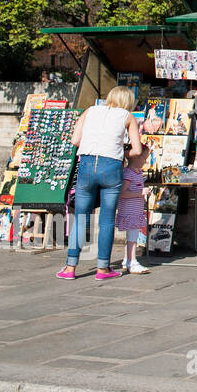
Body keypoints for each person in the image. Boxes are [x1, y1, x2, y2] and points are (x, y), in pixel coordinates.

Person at [58, 86, 143, 280]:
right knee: (106, 219)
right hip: (112, 167)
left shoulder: (90, 110)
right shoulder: (127, 116)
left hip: (87, 165)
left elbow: (75, 140)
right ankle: (103, 268)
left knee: (80, 217)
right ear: (128, 101)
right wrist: (121, 151)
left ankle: (70, 268)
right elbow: (137, 151)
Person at [115, 125, 157, 274]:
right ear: (136, 158)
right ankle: (132, 261)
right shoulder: (129, 173)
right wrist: (140, 193)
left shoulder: (136, 172)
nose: (145, 162)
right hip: (130, 211)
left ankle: (127, 259)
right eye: (144, 159)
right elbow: (122, 193)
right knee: (132, 237)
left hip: (135, 209)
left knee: (132, 236)